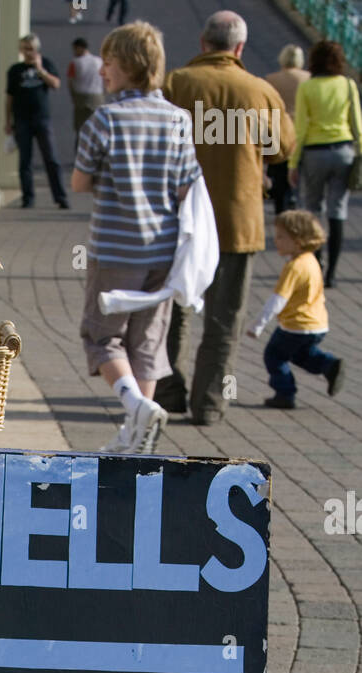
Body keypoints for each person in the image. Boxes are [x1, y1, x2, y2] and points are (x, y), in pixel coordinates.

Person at [157, 11, 294, 424]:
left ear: (202, 43)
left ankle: (168, 390)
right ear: (239, 48)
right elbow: (282, 148)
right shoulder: (260, 91)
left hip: (179, 221)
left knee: (173, 309)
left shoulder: (177, 84)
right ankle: (210, 402)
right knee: (224, 318)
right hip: (237, 222)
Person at [72, 22, 201, 453]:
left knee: (101, 336)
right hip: (163, 254)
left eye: (108, 63)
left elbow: (79, 182)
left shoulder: (105, 119)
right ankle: (137, 436)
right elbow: (186, 188)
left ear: (126, 66)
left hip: (114, 249)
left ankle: (134, 408)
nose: (102, 71)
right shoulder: (179, 120)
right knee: (146, 342)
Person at [246, 210, 343, 407]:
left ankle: (285, 393)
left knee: (274, 355)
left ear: (298, 240)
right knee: (301, 354)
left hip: (295, 325)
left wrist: (258, 325)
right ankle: (329, 365)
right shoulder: (312, 260)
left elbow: (277, 300)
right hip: (317, 325)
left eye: (282, 236)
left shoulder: (294, 267)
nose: (276, 240)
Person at [290, 40, 362, 287]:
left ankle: (317, 265)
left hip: (315, 153)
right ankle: (333, 273)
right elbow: (357, 123)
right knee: (338, 210)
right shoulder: (347, 85)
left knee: (313, 209)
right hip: (343, 149)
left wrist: (293, 162)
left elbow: (301, 128)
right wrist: (360, 152)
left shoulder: (308, 88)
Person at [6, 34, 70, 209]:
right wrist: (7, 121)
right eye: (25, 49)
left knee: (51, 158)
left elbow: (56, 84)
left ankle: (60, 196)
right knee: (25, 161)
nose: (28, 53)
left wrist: (40, 70)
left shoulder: (46, 64)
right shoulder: (15, 70)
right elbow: (9, 97)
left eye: (31, 49)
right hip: (21, 119)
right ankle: (28, 197)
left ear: (37, 50)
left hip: (42, 119)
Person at [265, 45, 309, 214]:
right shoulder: (308, 78)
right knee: (296, 169)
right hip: (300, 129)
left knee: (279, 171)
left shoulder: (271, 79)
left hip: (279, 129)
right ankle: (294, 199)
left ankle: (280, 208)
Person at [68, 38, 104, 156]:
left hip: (82, 98)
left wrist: (73, 97)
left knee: (81, 130)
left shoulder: (75, 62)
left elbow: (70, 81)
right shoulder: (99, 61)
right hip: (98, 97)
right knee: (97, 129)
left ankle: (81, 155)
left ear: (80, 48)